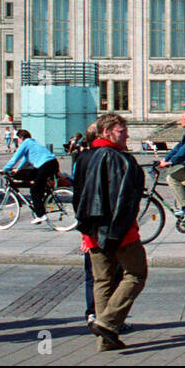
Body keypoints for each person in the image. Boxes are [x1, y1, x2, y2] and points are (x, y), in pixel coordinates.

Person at [74, 113, 146, 351]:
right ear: (106, 133)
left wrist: (85, 232)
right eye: (120, 130)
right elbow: (121, 200)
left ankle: (105, 339)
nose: (126, 134)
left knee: (102, 280)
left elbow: (79, 197)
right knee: (136, 273)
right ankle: (108, 322)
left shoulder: (84, 157)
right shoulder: (116, 158)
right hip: (118, 231)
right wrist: (118, 232)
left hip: (93, 230)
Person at [0, 129, 59, 225]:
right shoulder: (32, 142)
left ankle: (41, 215)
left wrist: (5, 169)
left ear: (21, 138)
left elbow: (15, 158)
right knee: (33, 180)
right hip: (52, 163)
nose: (17, 141)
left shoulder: (25, 143)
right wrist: (18, 169)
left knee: (34, 190)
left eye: (17, 139)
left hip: (45, 165)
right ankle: (39, 205)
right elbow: (26, 159)